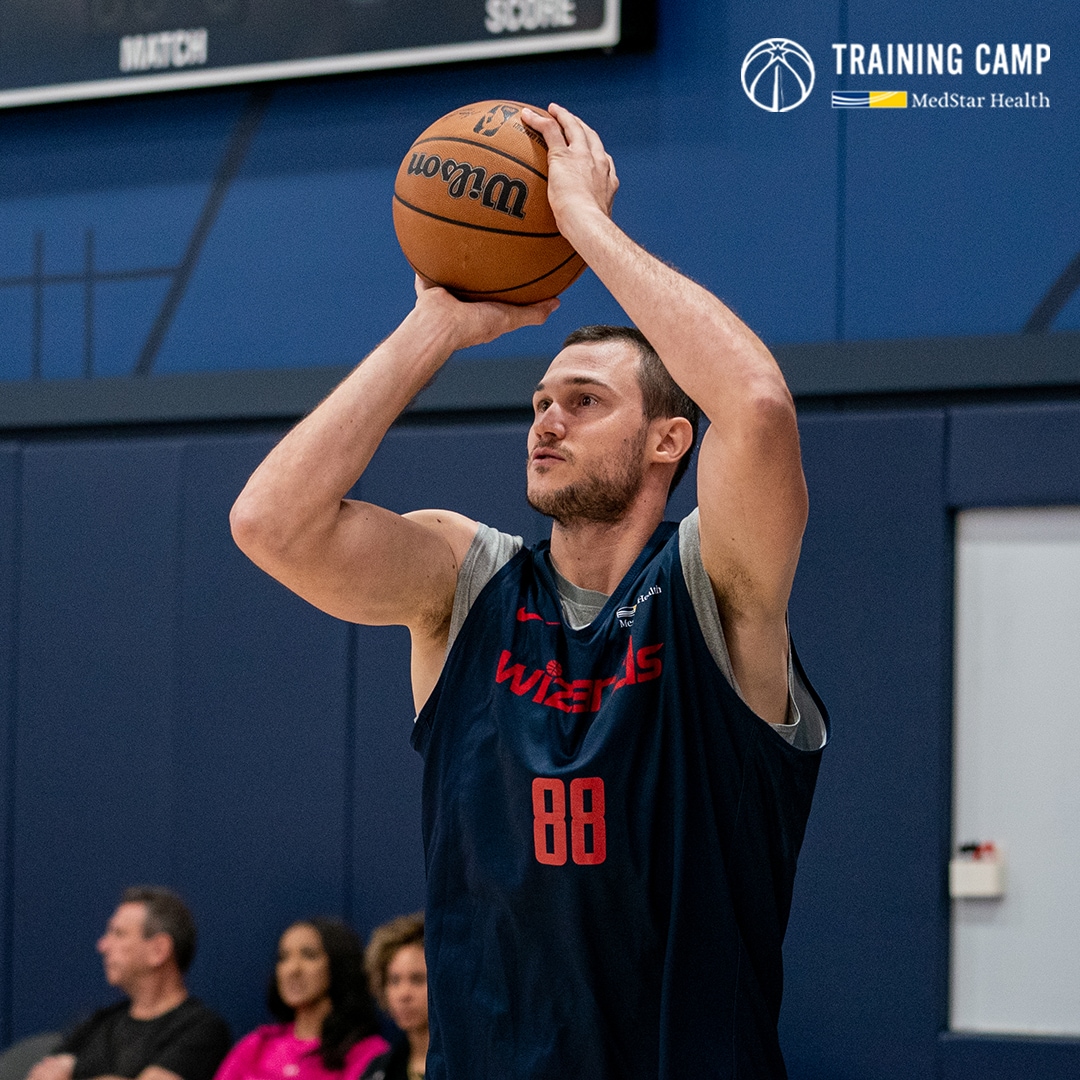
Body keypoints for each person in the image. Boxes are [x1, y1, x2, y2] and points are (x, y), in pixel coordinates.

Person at [230, 102, 828, 1079]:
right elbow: (270, 524)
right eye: (540, 402)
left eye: (584, 402)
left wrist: (582, 225)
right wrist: (432, 327)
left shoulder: (718, 588)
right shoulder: (464, 585)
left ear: (669, 439)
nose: (546, 421)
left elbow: (756, 405)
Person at [28, 887, 231, 1080]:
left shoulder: (201, 1029)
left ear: (158, 950)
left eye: (119, 934)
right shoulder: (99, 1022)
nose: (102, 946)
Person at [212, 919, 388, 1080]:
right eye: (284, 957)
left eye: (309, 955)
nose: (293, 969)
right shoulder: (256, 1045)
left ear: (338, 965)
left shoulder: (368, 1053)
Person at [359, 915, 427, 1080]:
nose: (404, 994)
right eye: (394, 981)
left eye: (418, 979)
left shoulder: (472, 1066)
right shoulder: (379, 1069)